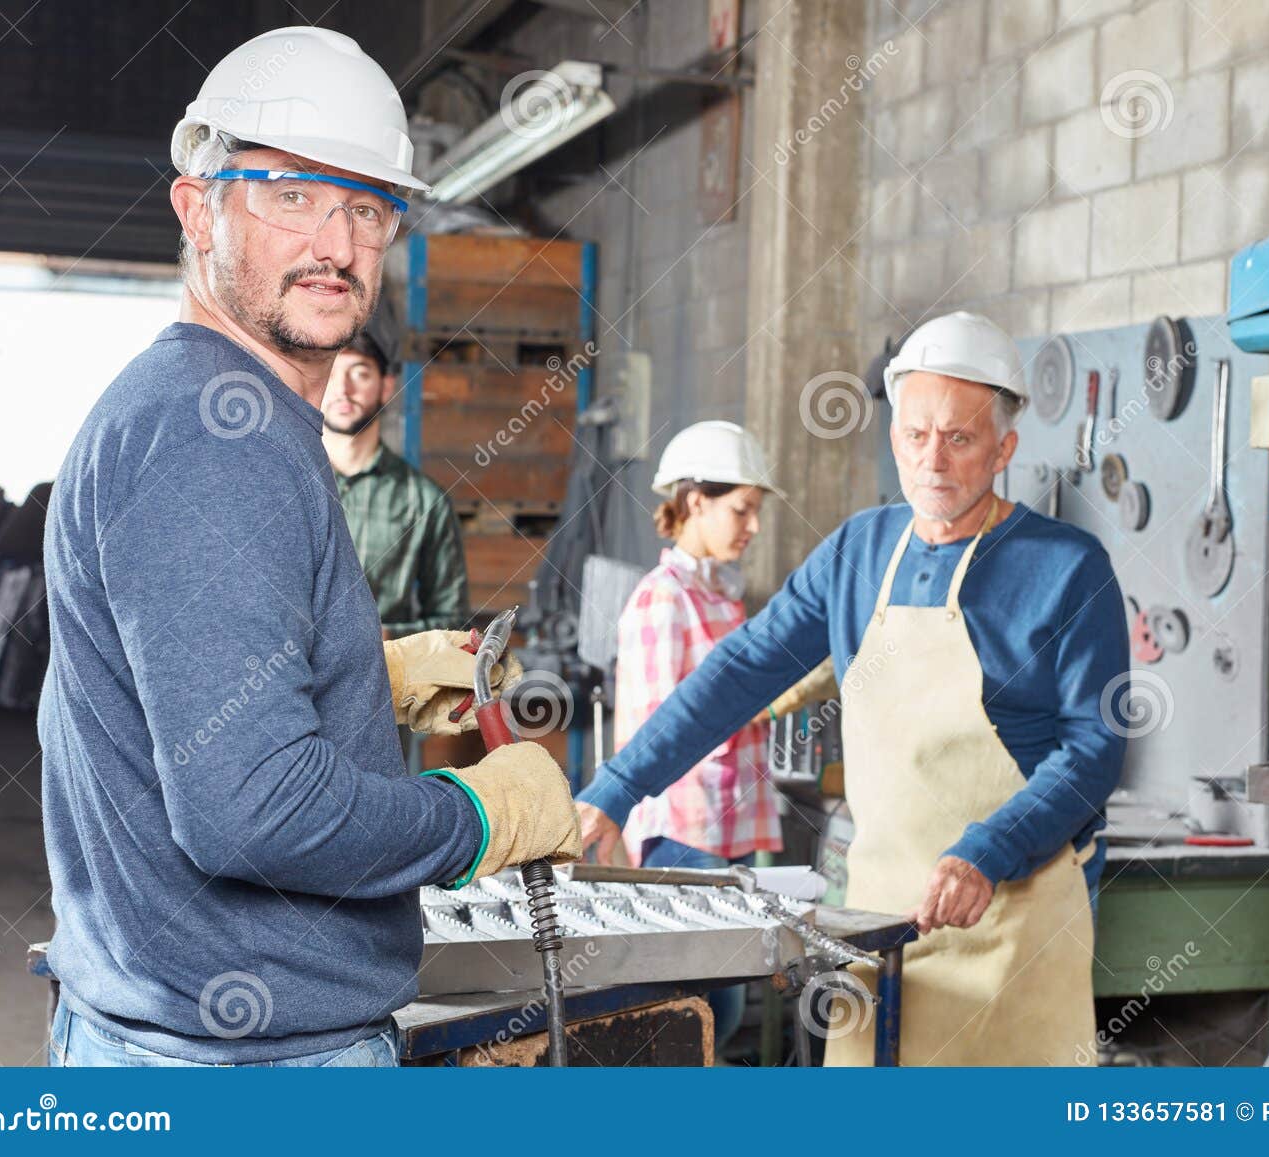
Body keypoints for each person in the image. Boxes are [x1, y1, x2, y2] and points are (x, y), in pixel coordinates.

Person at [38, 26, 579, 1069]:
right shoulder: (213, 437)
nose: (336, 241)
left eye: (366, 206)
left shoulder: (205, 409)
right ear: (198, 210)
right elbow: (250, 815)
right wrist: (476, 814)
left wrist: (366, 681)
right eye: (289, 195)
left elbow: (170, 705)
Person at [577, 311, 1129, 1066]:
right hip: (878, 921)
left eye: (960, 438)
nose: (932, 460)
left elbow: (1094, 748)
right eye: (913, 434)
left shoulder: (1068, 567)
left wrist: (988, 850)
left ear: (1005, 447)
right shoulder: (858, 552)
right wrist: (614, 789)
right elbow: (741, 671)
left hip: (1014, 920)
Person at [615, 421, 786, 1054]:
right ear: (695, 502)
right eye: (742, 509)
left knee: (725, 1011)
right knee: (694, 1020)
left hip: (727, 828)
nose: (754, 526)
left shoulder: (722, 596)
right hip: (683, 834)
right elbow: (668, 729)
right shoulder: (664, 599)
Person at [322, 330, 469, 639]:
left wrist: (383, 636)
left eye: (359, 374)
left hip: (382, 678)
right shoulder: (283, 485)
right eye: (330, 373)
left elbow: (453, 625)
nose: (342, 389)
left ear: (385, 387)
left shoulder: (424, 500)